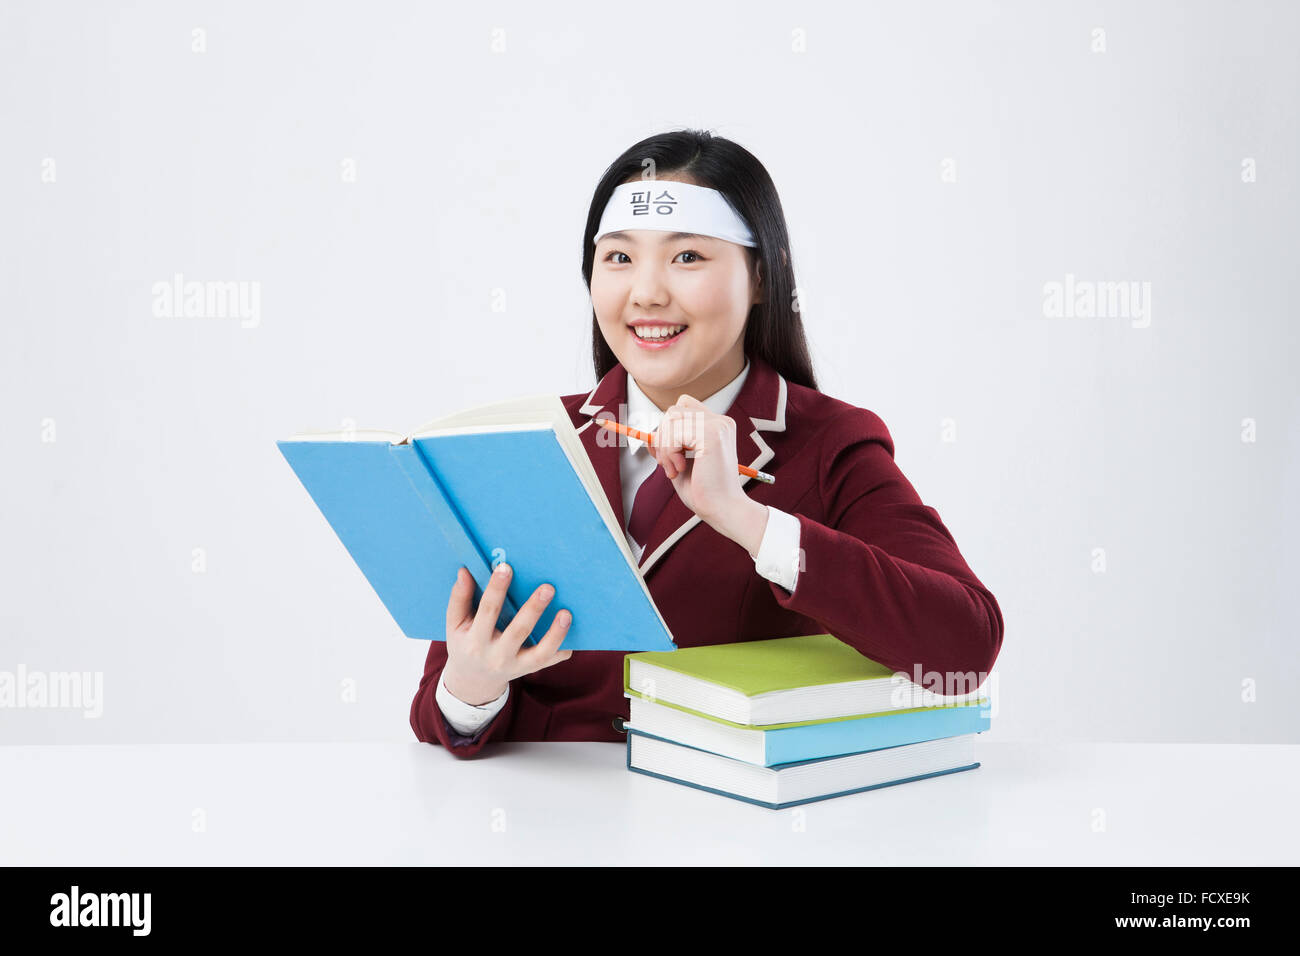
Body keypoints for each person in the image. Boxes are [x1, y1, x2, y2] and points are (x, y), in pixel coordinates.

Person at [411, 129, 1004, 758]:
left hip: (732, 821)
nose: (646, 293)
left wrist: (749, 521)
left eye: (687, 257)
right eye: (618, 258)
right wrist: (471, 686)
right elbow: (437, 714)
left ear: (762, 279)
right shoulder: (527, 442)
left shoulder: (831, 443)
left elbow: (965, 644)